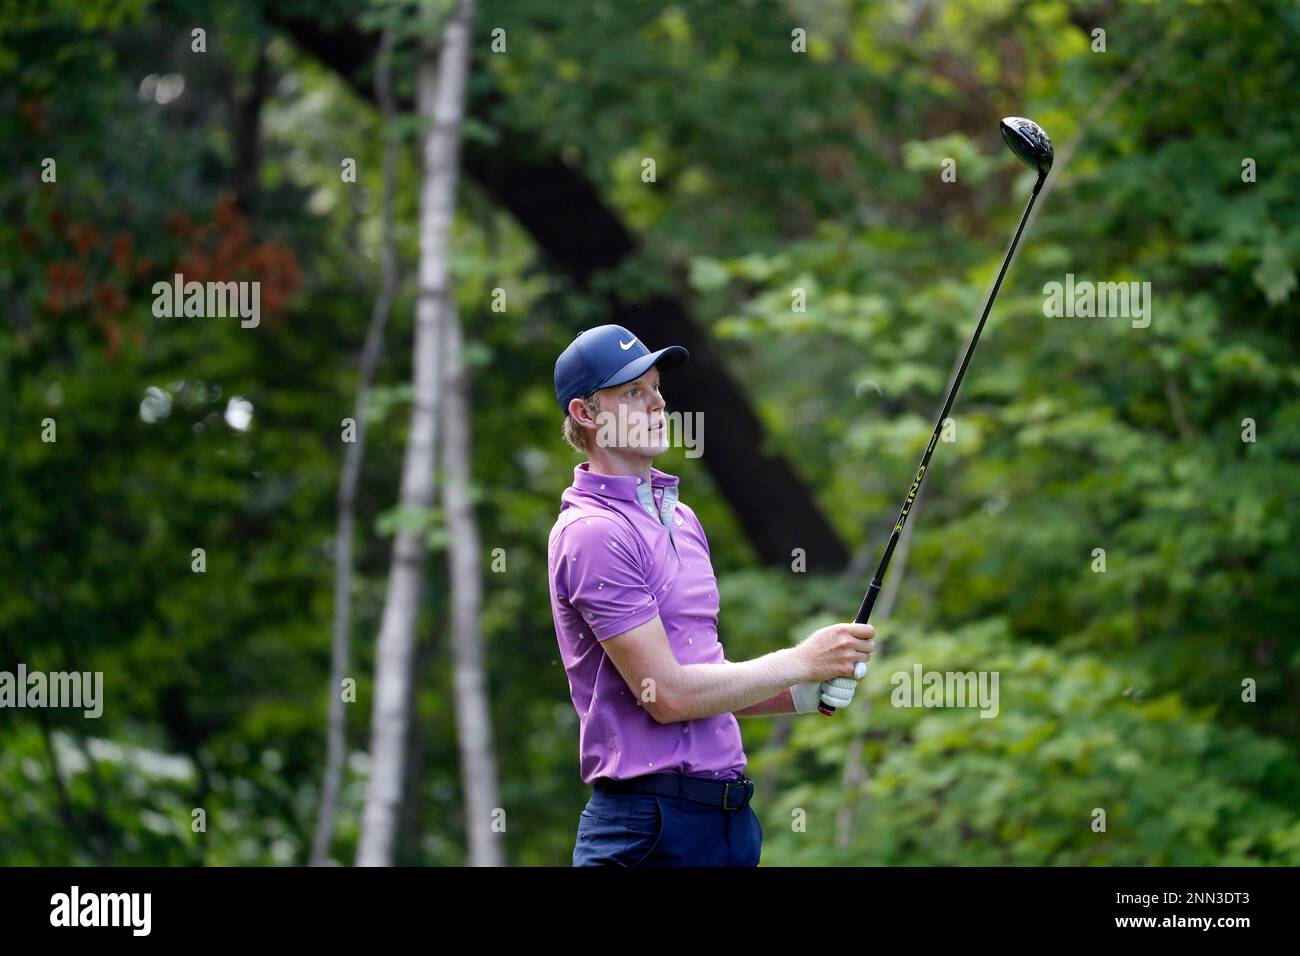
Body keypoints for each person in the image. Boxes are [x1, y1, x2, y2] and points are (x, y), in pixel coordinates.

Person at [546, 324, 876, 867]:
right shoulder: (593, 532)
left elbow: (706, 678)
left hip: (726, 827)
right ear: (586, 414)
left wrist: (803, 689)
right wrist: (798, 661)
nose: (656, 404)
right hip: (649, 833)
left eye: (656, 388)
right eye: (632, 392)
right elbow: (669, 695)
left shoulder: (681, 517)